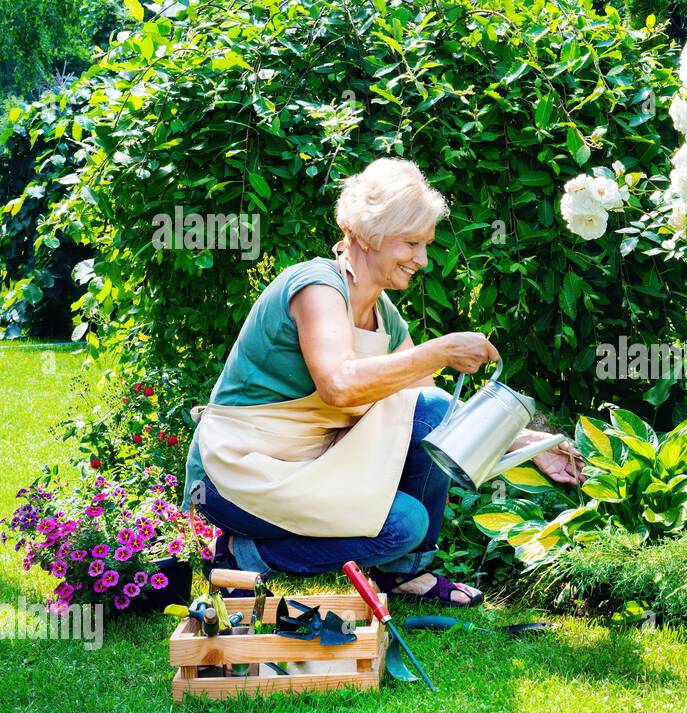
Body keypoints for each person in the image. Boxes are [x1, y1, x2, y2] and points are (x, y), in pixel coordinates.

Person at [181, 157, 584, 605]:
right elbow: (338, 384)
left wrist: (531, 443)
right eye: (411, 243)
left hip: (307, 469)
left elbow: (435, 409)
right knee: (402, 525)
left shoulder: (384, 316)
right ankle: (242, 554)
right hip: (238, 474)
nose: (423, 259)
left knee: (428, 410)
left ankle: (406, 574)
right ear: (370, 233)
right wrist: (441, 350)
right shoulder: (315, 286)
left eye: (425, 244)